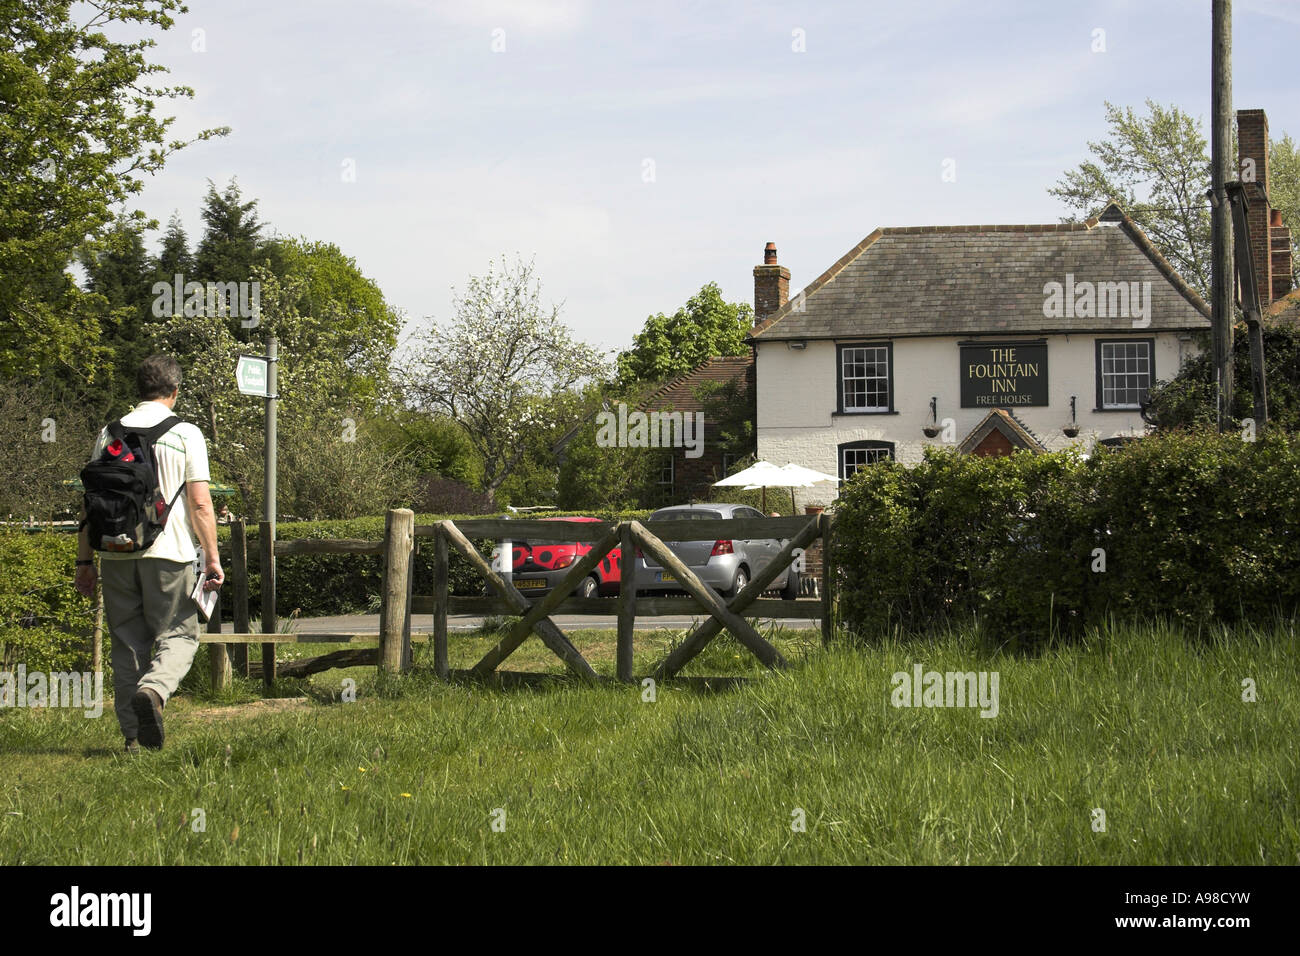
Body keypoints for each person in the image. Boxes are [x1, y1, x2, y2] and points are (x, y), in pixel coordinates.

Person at [74, 355, 224, 753]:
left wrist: (84, 562)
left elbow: (91, 504)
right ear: (174, 391)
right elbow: (201, 505)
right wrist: (212, 557)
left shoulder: (110, 432)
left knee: (127, 645)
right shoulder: (186, 433)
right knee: (180, 634)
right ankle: (155, 691)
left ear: (138, 390)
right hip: (169, 553)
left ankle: (132, 740)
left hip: (115, 553)